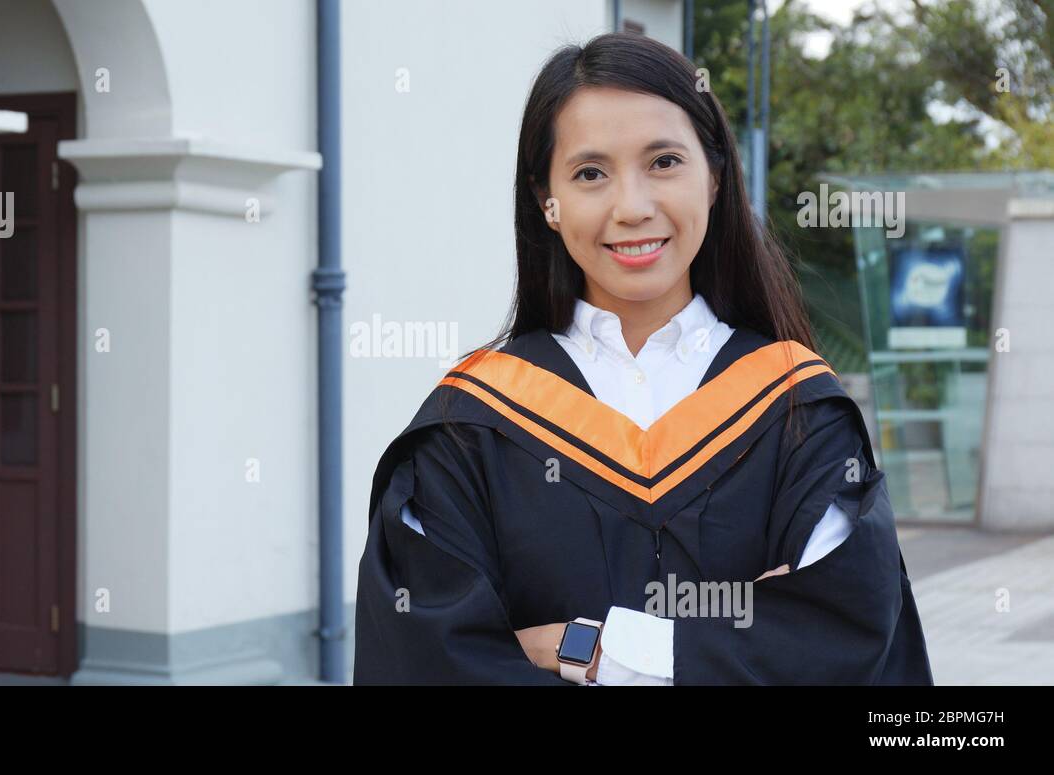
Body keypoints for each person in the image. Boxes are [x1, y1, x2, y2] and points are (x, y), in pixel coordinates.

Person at [352, 31, 933, 685]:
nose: (631, 208)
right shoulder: (468, 426)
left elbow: (838, 638)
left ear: (714, 177)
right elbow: (430, 660)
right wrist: (733, 649)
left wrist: (597, 650)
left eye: (664, 162)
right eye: (590, 174)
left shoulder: (798, 408)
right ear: (547, 201)